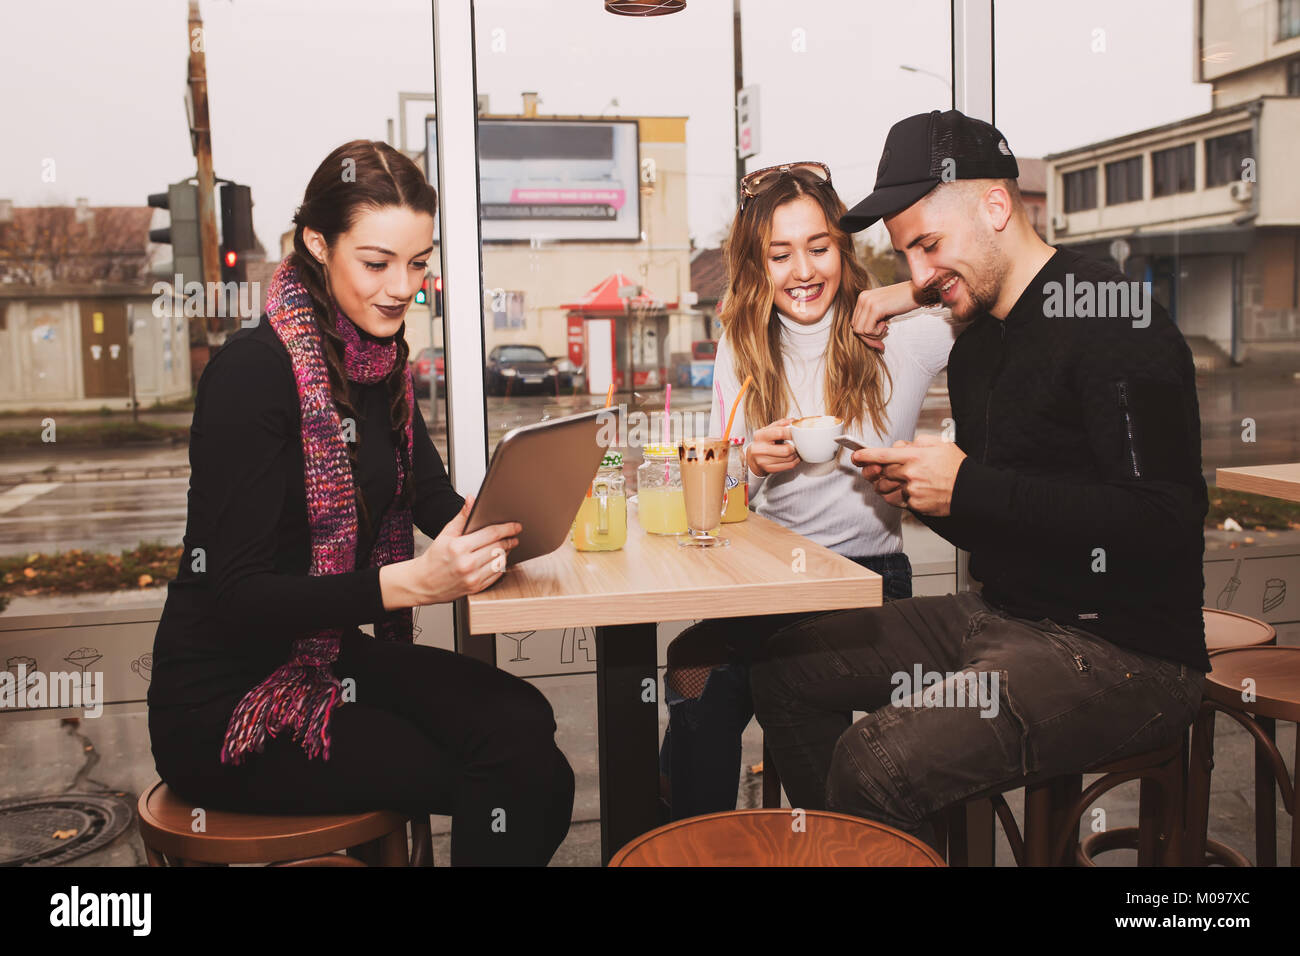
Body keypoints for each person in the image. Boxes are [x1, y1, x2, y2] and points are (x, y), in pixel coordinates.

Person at [749, 110, 1209, 847]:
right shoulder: (978, 346)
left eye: (928, 246)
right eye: (905, 257)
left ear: (997, 207)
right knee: (783, 672)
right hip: (1003, 615)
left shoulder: (1109, 315)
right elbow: (1003, 517)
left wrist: (970, 490)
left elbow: (1165, 519)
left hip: (1127, 654)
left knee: (874, 762)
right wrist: (925, 493)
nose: (919, 278)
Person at [146, 140, 574, 866]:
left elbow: (430, 496)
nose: (401, 286)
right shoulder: (253, 373)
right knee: (514, 772)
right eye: (376, 263)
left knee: (522, 716)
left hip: (323, 657)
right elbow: (237, 596)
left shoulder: (379, 363)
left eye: (418, 263)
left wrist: (522, 514)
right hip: (225, 702)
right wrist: (411, 583)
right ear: (318, 243)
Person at [658, 160, 963, 820]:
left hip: (867, 578)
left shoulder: (900, 332)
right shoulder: (742, 345)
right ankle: (696, 847)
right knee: (690, 675)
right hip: (768, 582)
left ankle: (844, 839)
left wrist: (904, 295)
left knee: (788, 687)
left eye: (819, 247)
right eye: (780, 253)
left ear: (843, 249)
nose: (803, 271)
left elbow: (989, 292)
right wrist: (746, 463)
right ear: (756, 264)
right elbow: (712, 496)